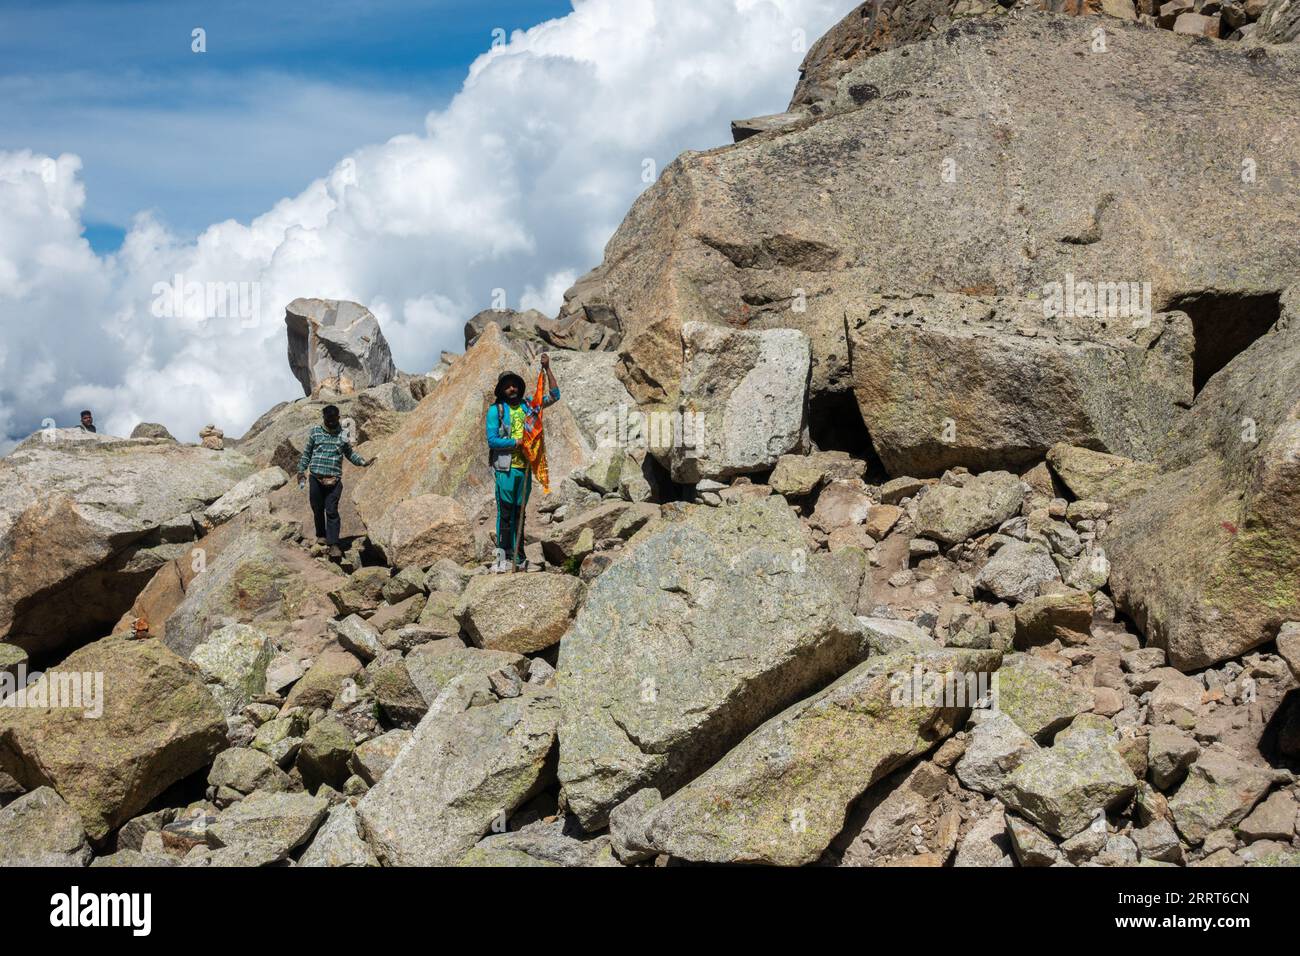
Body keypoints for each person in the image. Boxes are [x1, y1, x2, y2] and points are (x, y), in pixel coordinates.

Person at [486, 353, 559, 572]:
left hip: (525, 466)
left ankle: (518, 555)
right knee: (505, 512)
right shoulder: (496, 411)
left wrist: (547, 369)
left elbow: (555, 395)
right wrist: (517, 442)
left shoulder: (530, 406)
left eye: (514, 385)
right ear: (502, 390)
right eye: (507, 386)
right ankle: (501, 557)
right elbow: (492, 440)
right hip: (505, 468)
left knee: (520, 512)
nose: (512, 389)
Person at [297, 405, 374, 559]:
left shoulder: (343, 434)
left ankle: (333, 545)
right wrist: (301, 471)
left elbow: (349, 453)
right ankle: (321, 535)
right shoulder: (315, 432)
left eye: (335, 419)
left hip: (334, 480)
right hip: (316, 478)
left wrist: (363, 462)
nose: (332, 422)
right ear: (324, 418)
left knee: (331, 510)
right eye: (329, 419)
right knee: (317, 507)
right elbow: (307, 453)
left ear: (338, 418)